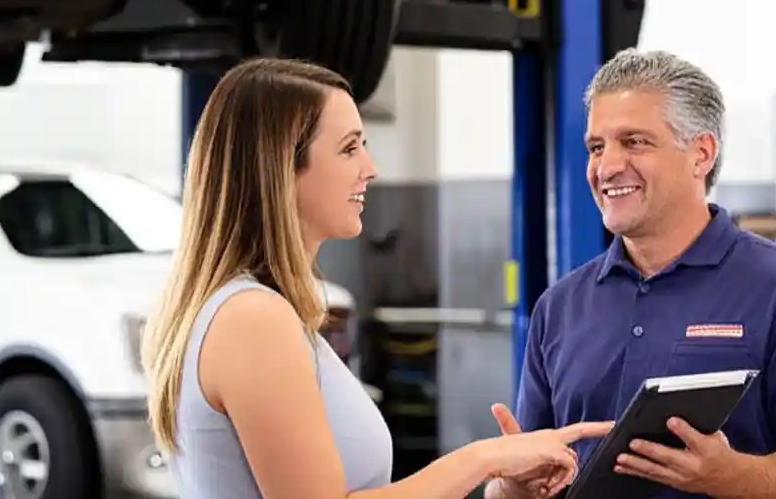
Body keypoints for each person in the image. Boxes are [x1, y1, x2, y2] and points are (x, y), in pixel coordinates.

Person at [140, 58, 611, 499]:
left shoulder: (254, 311)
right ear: (280, 167)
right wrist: (486, 458)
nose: (370, 168)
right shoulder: (252, 318)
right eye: (349, 148)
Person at [485, 49, 776, 499]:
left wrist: (730, 476)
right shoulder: (560, 307)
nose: (606, 167)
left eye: (634, 142)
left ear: (701, 154)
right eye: (596, 147)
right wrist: (511, 486)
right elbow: (523, 481)